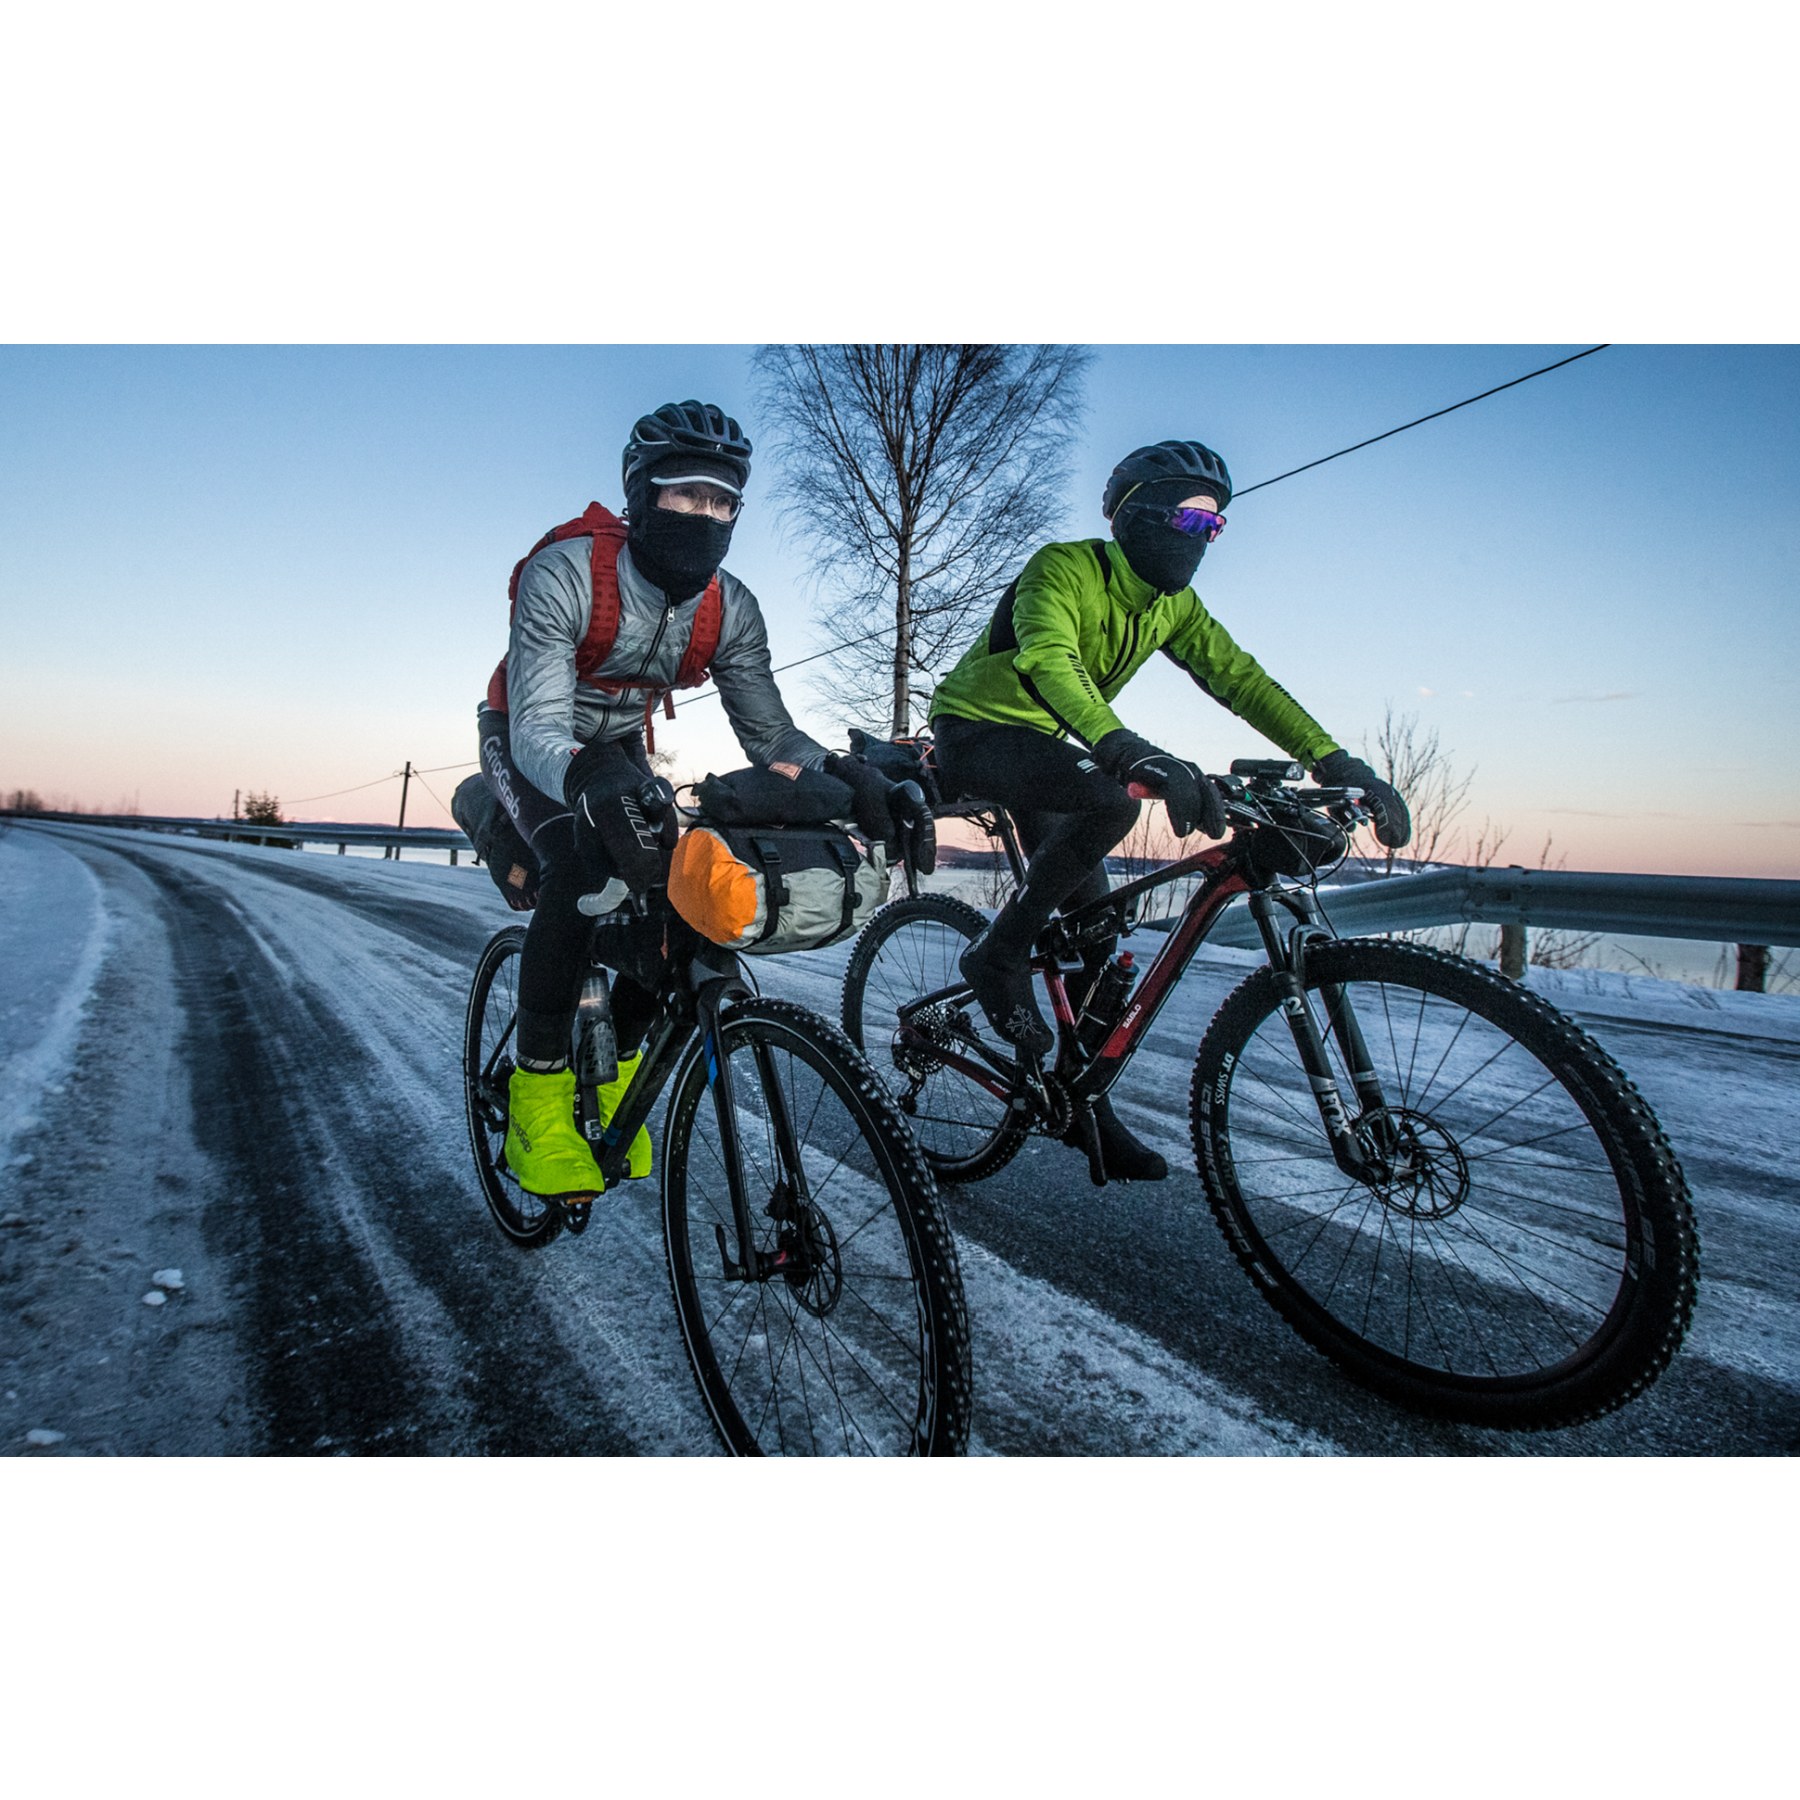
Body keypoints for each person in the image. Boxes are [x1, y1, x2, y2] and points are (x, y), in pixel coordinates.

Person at [926, 438, 1411, 1182]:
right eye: (1190, 518)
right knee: (1106, 799)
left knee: (1095, 931)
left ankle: (1090, 1110)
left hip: (1062, 744)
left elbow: (1243, 682)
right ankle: (995, 955)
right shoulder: (1064, 569)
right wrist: (1127, 749)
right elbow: (1047, 657)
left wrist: (1335, 761)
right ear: (1137, 515)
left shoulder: (1173, 606)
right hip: (977, 732)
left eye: (1214, 526)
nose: (1203, 538)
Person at [476, 399, 923, 1202]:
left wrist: (853, 774)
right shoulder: (567, 572)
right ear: (642, 494)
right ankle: (535, 1098)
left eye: (723, 502)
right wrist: (587, 782)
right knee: (578, 869)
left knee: (671, 890)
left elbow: (772, 737)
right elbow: (542, 725)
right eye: (686, 495)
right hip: (527, 735)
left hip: (618, 748)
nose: (706, 514)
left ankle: (611, 1075)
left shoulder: (729, 608)